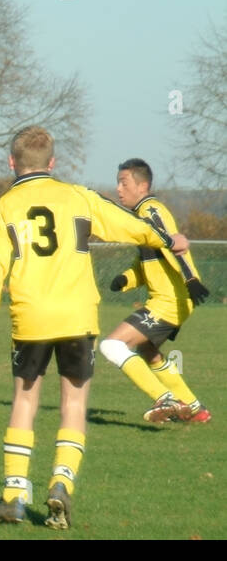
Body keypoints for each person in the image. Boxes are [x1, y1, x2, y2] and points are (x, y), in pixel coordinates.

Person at [0, 127, 189, 530]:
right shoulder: (79, 197)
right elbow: (130, 225)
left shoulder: (2, 207)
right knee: (73, 404)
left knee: (25, 402)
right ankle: (60, 485)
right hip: (77, 317)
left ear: (11, 162)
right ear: (52, 163)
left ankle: (15, 497)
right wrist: (166, 238)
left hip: (30, 317)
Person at [99, 158, 211, 424]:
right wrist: (126, 279)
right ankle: (195, 409)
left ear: (143, 185)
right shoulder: (142, 215)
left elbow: (176, 245)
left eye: (124, 182)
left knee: (111, 345)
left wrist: (191, 279)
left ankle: (166, 399)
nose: (119, 189)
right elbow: (152, 259)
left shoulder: (151, 209)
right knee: (148, 353)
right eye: (118, 182)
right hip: (172, 301)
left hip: (169, 302)